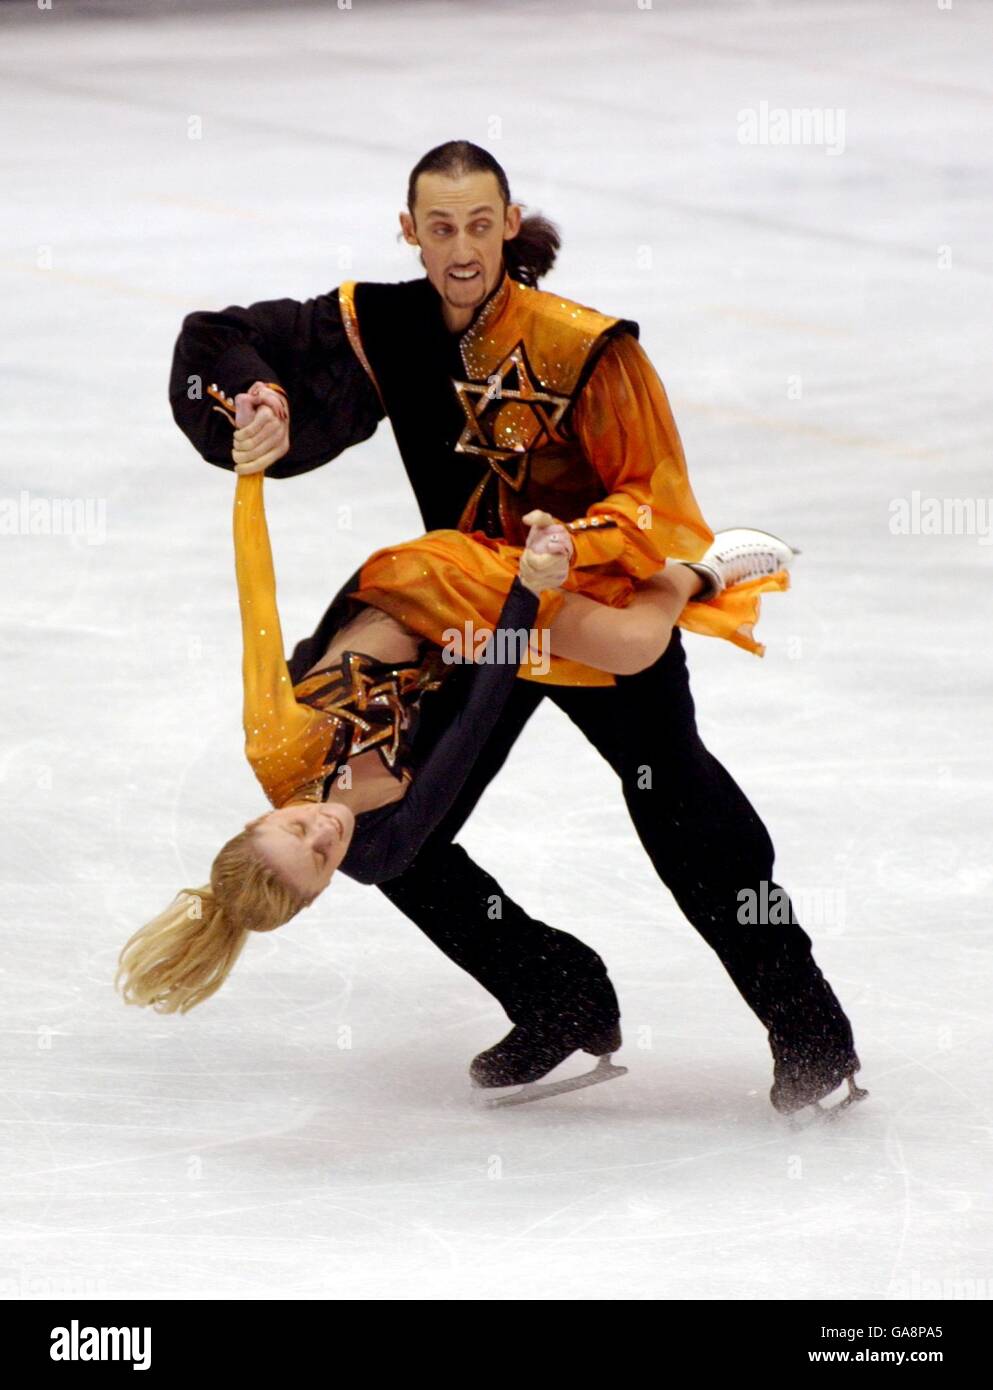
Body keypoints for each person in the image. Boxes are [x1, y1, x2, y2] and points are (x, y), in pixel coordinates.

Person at [167, 140, 864, 1116]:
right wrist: (253, 399)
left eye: (478, 225)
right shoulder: (385, 324)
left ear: (507, 222)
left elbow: (649, 498)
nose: (460, 249)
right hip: (462, 627)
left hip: (585, 592)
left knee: (672, 795)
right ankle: (557, 991)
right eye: (439, 227)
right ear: (410, 230)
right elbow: (216, 339)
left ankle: (807, 1024)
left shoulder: (583, 347)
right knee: (394, 842)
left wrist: (566, 550)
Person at [119, 383, 792, 1022]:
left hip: (423, 580)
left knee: (630, 642)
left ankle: (699, 570)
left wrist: (250, 475)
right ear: (326, 888)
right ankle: (693, 572)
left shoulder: (275, 739)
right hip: (467, 647)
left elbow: (254, 593)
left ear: (255, 820)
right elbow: (470, 727)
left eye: (297, 830)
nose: (325, 833)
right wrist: (526, 598)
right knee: (622, 634)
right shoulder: (380, 847)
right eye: (321, 858)